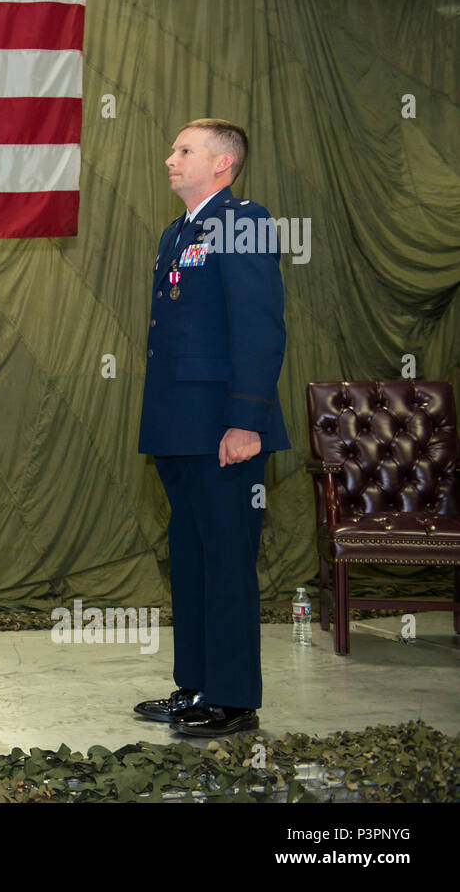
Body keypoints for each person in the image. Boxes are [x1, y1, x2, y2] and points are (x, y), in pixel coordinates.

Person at [133, 118, 288, 737]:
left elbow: (260, 326)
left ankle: (232, 698)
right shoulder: (179, 232)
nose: (170, 158)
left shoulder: (243, 223)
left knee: (226, 560)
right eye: (174, 149)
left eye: (185, 150)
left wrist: (245, 421)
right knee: (191, 557)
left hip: (225, 426)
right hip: (179, 424)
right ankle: (195, 684)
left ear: (222, 164)